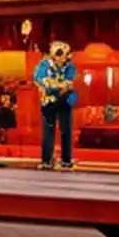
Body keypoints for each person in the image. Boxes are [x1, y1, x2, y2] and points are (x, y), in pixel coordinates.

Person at [34, 41, 77, 171]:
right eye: (58, 54)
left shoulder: (69, 66)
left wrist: (56, 85)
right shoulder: (44, 65)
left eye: (63, 55)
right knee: (48, 132)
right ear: (53, 55)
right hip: (48, 101)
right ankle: (46, 160)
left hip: (64, 100)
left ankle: (66, 160)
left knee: (66, 130)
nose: (61, 58)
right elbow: (40, 79)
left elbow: (69, 82)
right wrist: (56, 85)